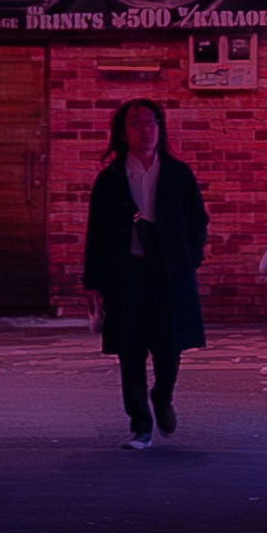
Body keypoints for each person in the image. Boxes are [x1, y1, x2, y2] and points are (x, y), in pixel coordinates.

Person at [83, 95, 210, 448]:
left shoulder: (178, 174)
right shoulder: (110, 179)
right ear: (123, 132)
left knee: (169, 347)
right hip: (126, 273)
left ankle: (162, 395)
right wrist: (93, 282)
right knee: (131, 350)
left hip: (169, 273)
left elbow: (197, 220)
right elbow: (96, 232)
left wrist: (190, 257)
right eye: (136, 123)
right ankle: (139, 425)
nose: (145, 130)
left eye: (151, 122)